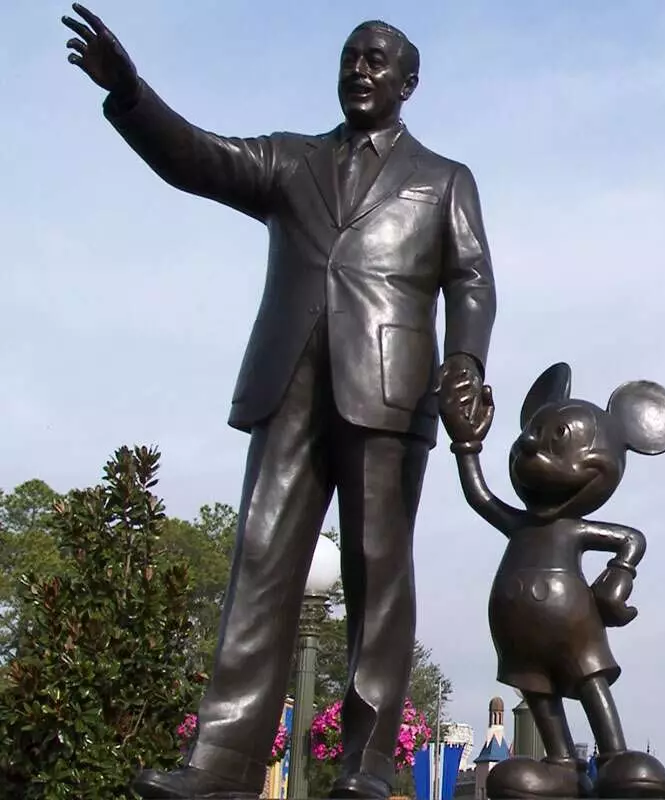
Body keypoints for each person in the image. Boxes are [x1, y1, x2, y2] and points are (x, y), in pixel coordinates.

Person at [61, 5, 498, 798]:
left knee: (377, 575)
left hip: (391, 394)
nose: (359, 71)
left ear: (408, 83)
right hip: (287, 386)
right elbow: (199, 158)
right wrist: (131, 94)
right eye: (349, 59)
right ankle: (222, 765)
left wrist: (464, 364)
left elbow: (471, 282)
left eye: (375, 60)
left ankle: (366, 762)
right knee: (259, 565)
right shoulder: (290, 161)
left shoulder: (444, 180)